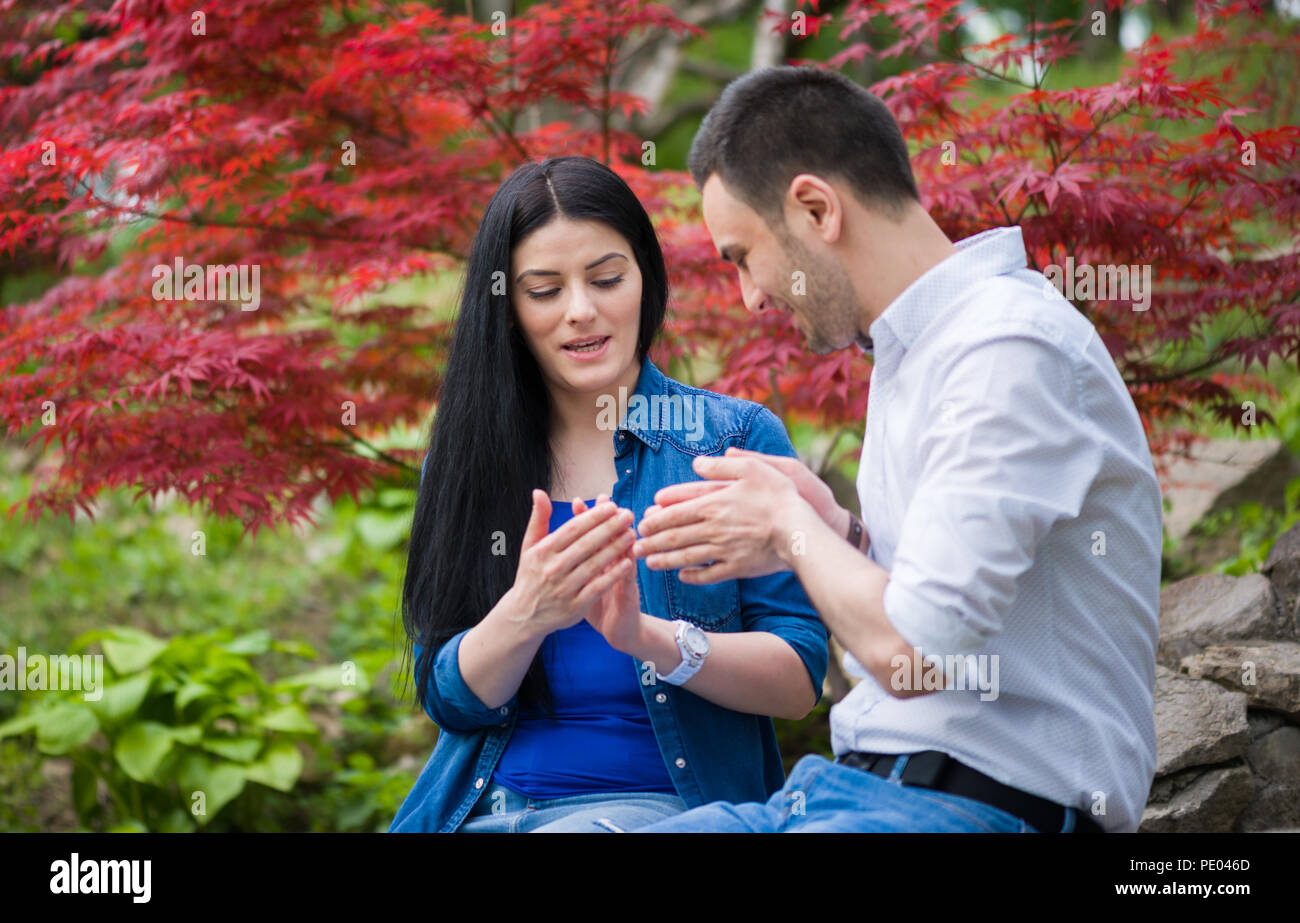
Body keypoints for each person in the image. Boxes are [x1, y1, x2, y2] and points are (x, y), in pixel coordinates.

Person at [632, 65, 1162, 833]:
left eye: (742, 256)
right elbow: (936, 589)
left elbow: (914, 655)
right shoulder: (918, 351)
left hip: (981, 809)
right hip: (850, 794)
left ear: (816, 209)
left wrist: (792, 525)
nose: (750, 297)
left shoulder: (1008, 348)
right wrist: (840, 531)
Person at [387, 155, 829, 833]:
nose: (581, 311)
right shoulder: (468, 463)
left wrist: (648, 637)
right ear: (507, 309)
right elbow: (449, 696)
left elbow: (797, 677)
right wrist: (526, 612)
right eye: (544, 290)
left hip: (666, 813)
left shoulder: (730, 440)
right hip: (479, 813)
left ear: (646, 277)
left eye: (606, 278)